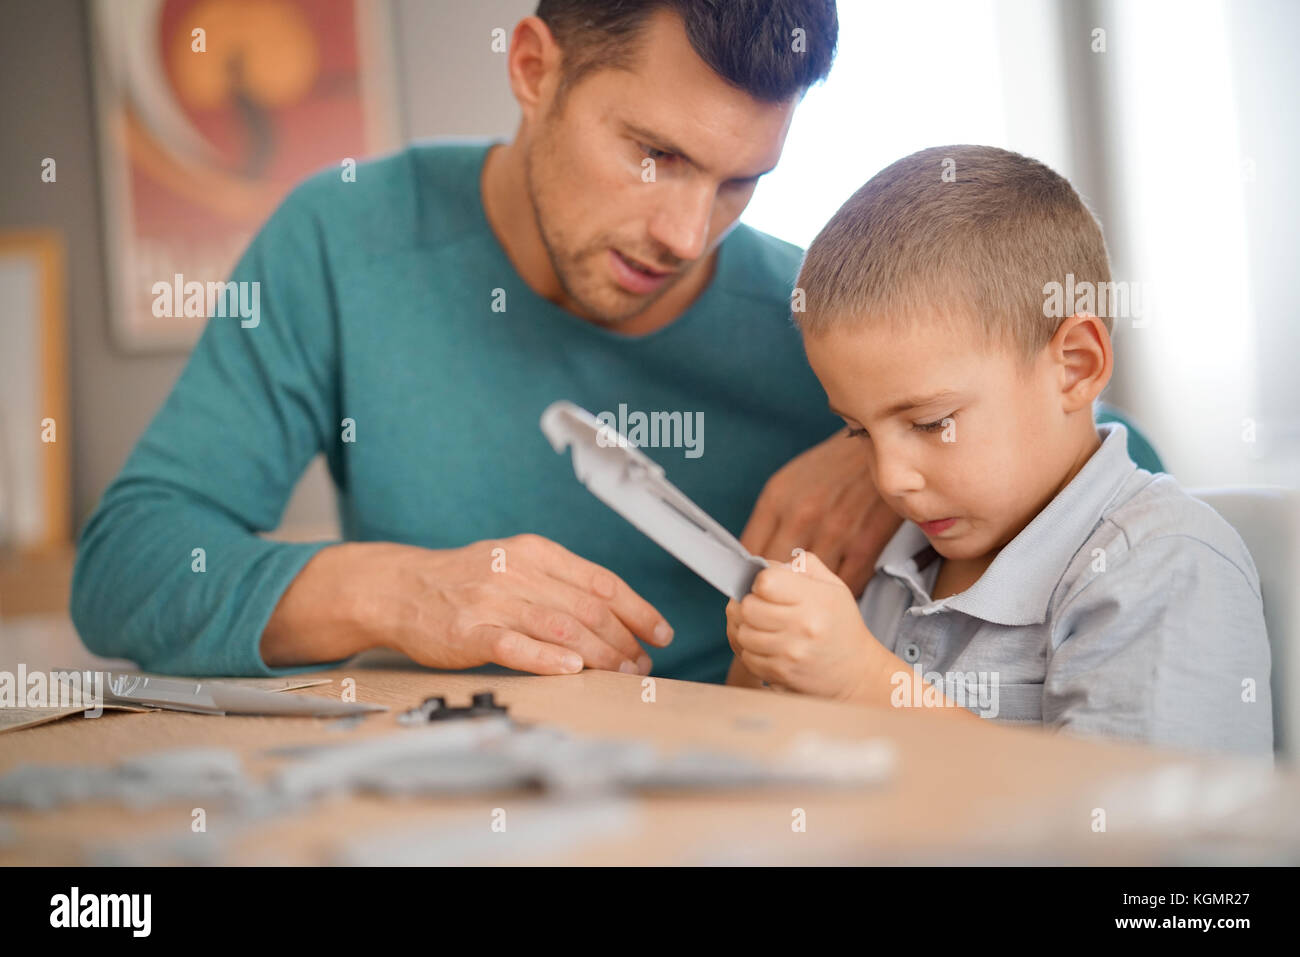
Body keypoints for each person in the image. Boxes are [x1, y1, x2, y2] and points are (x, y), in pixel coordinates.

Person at [726, 145, 1271, 756]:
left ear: (1075, 366)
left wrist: (863, 683)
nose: (889, 478)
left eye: (931, 423)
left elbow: (1126, 830)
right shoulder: (894, 559)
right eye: (858, 432)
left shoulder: (1161, 565)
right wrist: (769, 668)